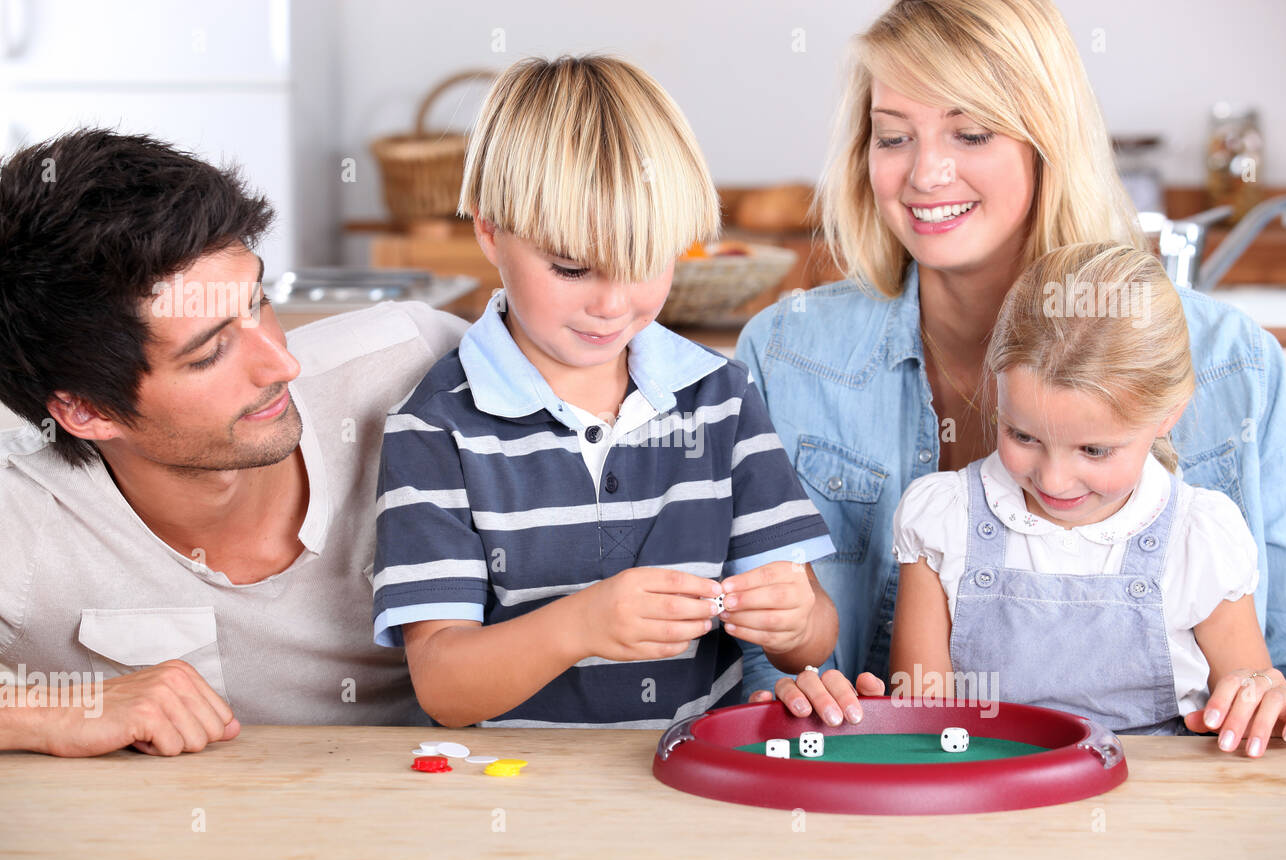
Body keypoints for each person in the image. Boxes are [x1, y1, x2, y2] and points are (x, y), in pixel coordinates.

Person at [736, 0, 1286, 726]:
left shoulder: (1232, 363)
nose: (925, 173)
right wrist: (795, 684)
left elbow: (1285, 660)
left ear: (1047, 142)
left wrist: (1271, 701)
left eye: (971, 132)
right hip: (890, 792)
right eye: (893, 137)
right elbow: (759, 655)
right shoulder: (787, 355)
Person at [371, 55, 838, 729]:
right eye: (571, 267)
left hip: (694, 781)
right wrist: (579, 625)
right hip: (513, 794)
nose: (612, 305)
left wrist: (796, 622)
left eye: (646, 261)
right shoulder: (437, 426)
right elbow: (444, 686)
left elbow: (813, 637)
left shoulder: (721, 398)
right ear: (489, 230)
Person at [0, 129, 467, 756]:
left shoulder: (417, 365)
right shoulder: (22, 513)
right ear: (85, 411)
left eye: (261, 301)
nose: (282, 364)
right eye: (211, 351)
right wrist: (50, 711)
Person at [889, 242, 1286, 753]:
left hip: (1159, 814)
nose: (1055, 480)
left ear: (1167, 414)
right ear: (998, 388)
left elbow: (1253, 705)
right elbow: (923, 727)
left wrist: (1269, 702)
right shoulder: (942, 519)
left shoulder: (1199, 535)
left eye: (1094, 449)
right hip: (993, 811)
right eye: (1023, 437)